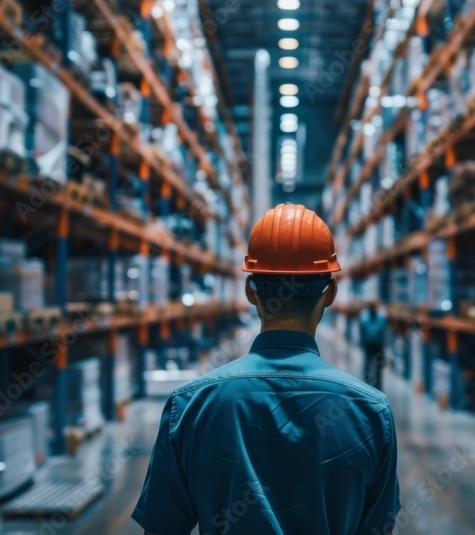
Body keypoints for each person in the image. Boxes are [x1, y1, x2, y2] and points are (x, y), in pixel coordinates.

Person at [133, 203, 401, 535]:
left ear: (251, 291)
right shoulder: (372, 413)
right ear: (330, 293)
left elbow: (161, 529)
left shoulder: (189, 407)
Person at [358, 303, 388, 391]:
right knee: (368, 363)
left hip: (376, 344)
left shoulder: (377, 317)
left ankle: (376, 384)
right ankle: (369, 382)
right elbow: (362, 330)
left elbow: (383, 331)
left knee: (374, 364)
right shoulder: (366, 317)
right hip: (371, 344)